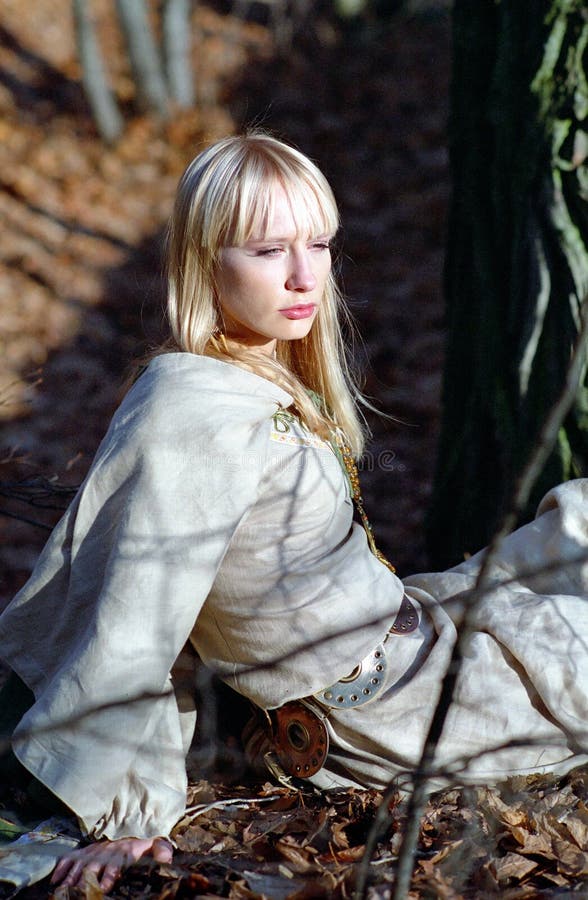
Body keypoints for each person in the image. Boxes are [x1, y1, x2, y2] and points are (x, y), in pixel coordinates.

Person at [0, 132, 587, 892]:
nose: (306, 275)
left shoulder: (252, 368)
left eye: (319, 243)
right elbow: (140, 611)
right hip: (392, 710)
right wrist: (125, 811)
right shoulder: (190, 410)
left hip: (415, 623)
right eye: (270, 250)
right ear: (207, 259)